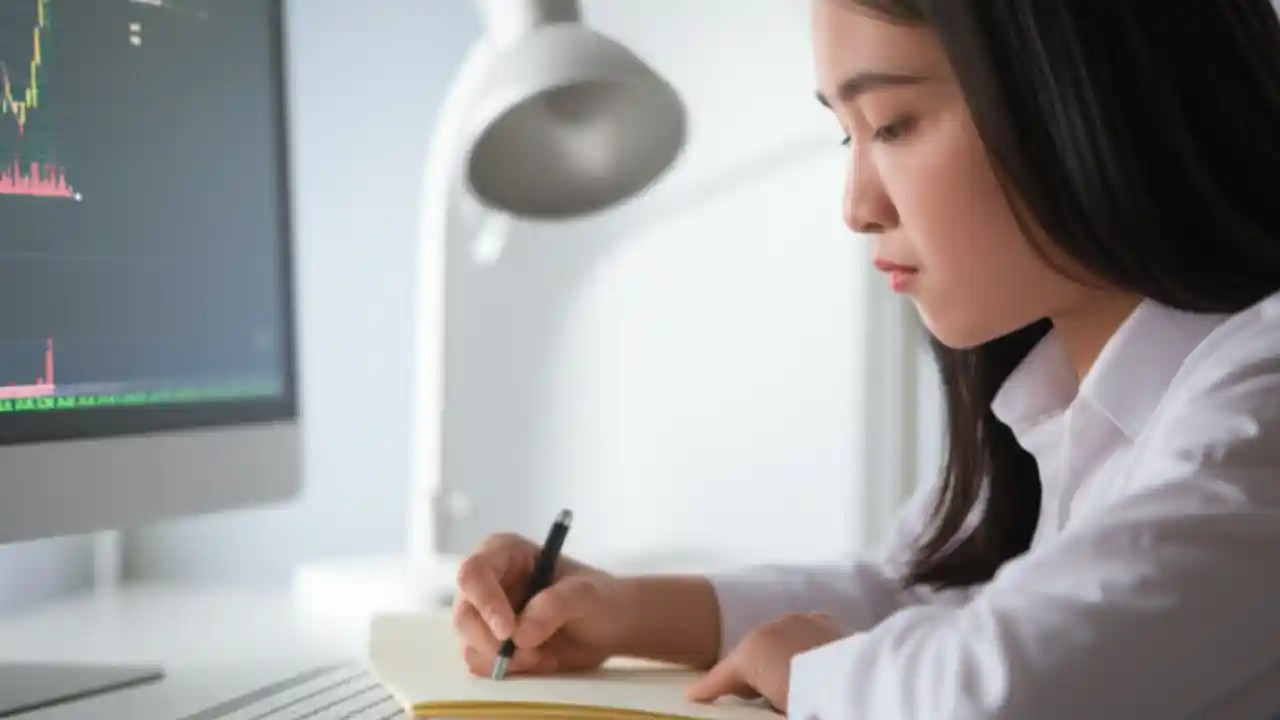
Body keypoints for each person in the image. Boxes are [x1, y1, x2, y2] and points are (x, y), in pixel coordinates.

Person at [450, 0, 1280, 716]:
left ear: (1089, 93)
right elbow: (931, 586)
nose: (856, 206)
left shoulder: (1260, 399)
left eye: (891, 124)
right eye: (845, 135)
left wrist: (815, 674)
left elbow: (995, 689)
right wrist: (628, 611)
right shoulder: (1064, 399)